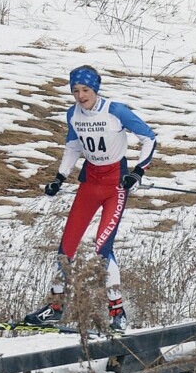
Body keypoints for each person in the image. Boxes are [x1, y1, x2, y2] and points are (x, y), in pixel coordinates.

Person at [24, 65, 157, 332]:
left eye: (85, 90)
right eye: (75, 90)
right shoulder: (73, 114)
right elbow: (72, 146)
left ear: (95, 89)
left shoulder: (115, 111)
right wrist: (59, 178)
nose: (80, 95)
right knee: (66, 246)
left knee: (102, 247)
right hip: (89, 184)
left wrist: (138, 172)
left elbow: (149, 138)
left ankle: (117, 313)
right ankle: (56, 308)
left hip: (114, 186)